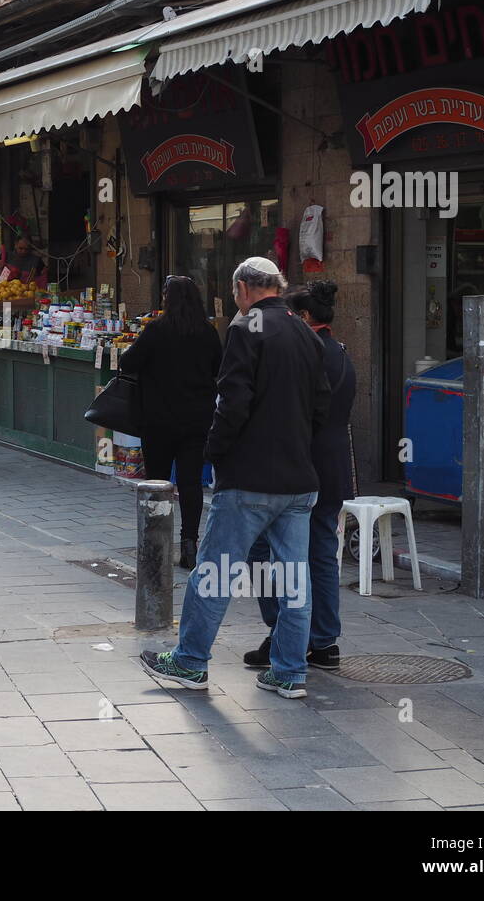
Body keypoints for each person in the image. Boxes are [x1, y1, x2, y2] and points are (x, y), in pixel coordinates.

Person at [140, 256, 330, 700]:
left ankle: (189, 661)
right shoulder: (306, 332)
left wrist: (216, 451)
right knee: (294, 580)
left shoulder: (246, 328)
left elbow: (232, 401)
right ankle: (289, 672)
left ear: (244, 288)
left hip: (249, 477)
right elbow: (323, 407)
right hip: (299, 480)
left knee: (214, 572)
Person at [243, 281, 355, 672]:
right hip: (332, 466)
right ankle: (324, 642)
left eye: (291, 316)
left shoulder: (305, 354)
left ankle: (282, 632)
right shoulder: (340, 353)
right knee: (321, 553)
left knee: (263, 548)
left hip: (296, 467)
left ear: (304, 317)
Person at [119, 275, 222, 568]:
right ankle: (190, 543)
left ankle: (156, 542)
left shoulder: (156, 330)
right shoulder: (207, 331)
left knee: (157, 482)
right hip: (196, 421)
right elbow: (219, 366)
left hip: (158, 420)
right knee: (190, 484)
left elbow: (129, 363)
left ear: (168, 299)